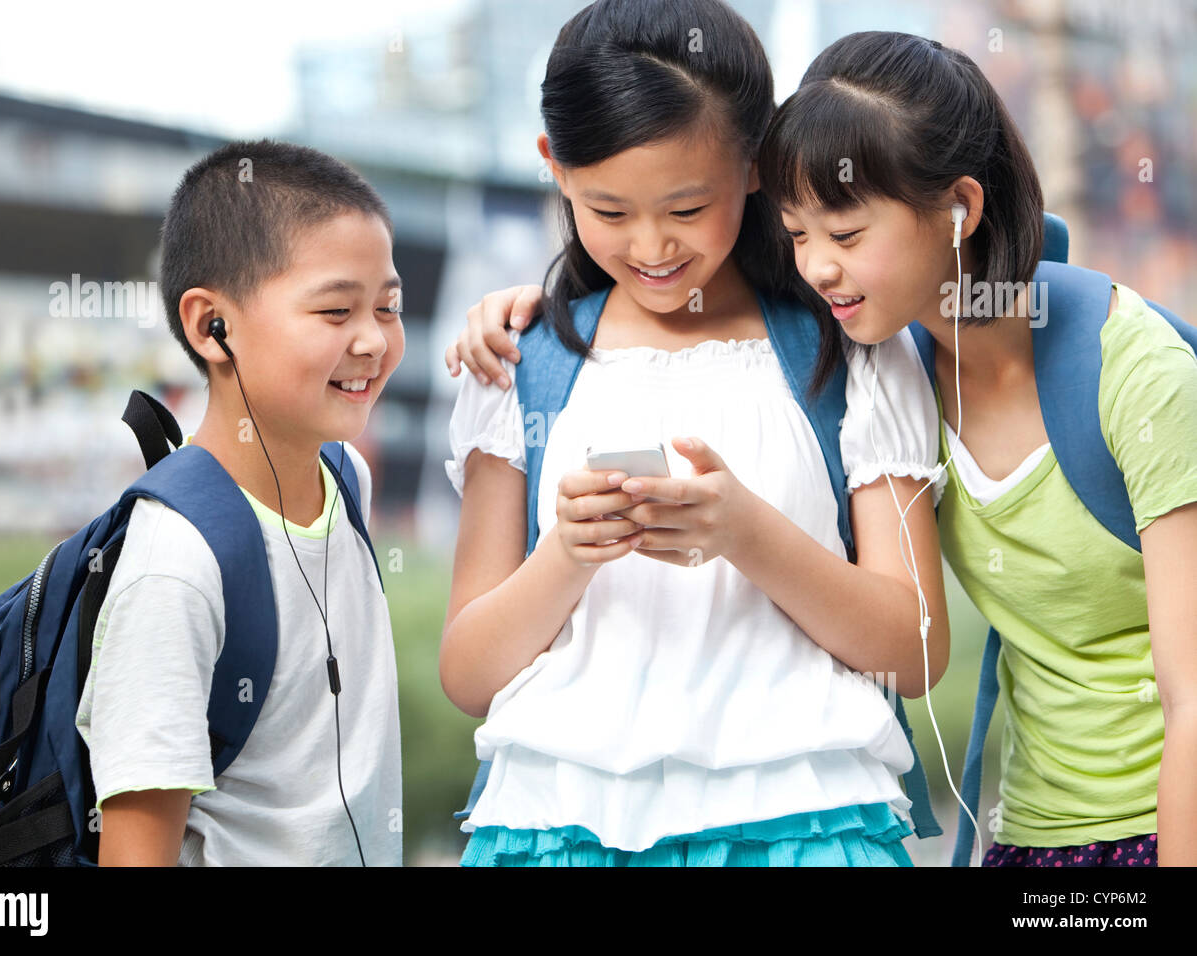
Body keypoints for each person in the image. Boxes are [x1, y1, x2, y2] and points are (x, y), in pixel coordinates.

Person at [455, 30, 1197, 868]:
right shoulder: (878, 350)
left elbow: (1178, 694)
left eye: (844, 237)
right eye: (798, 235)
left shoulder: (1081, 367)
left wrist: (745, 531)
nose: (817, 269)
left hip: (1113, 826)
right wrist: (538, 323)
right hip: (1031, 834)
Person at [439, 0, 950, 867]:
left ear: (755, 165)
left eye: (686, 207)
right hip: (557, 828)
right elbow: (469, 674)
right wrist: (567, 553)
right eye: (609, 210)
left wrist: (746, 534)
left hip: (806, 826)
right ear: (553, 169)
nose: (651, 247)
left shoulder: (849, 346)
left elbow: (918, 650)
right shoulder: (519, 362)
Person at [75, 140, 405, 865]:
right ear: (210, 328)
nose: (374, 340)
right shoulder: (177, 566)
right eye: (336, 310)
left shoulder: (347, 481)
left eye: (389, 305)